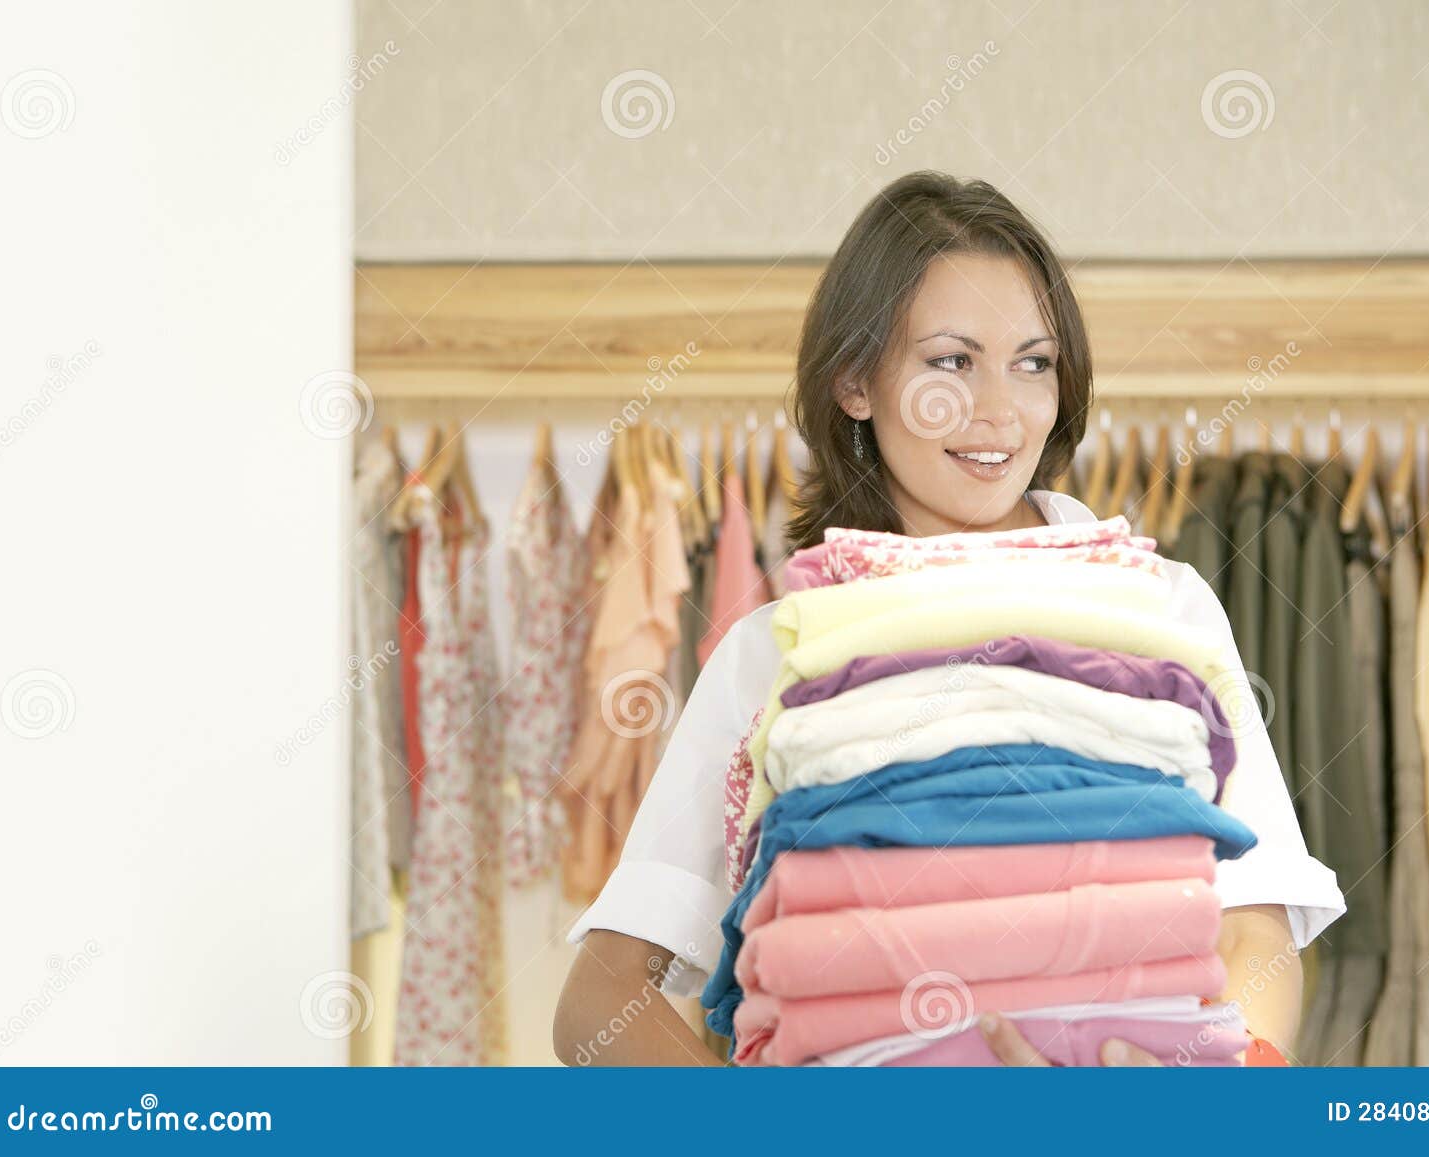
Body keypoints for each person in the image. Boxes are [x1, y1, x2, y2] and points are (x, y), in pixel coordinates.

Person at [554, 171, 1344, 1067]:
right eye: (951, 362)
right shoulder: (777, 650)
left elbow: (1254, 928)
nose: (1001, 411)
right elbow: (600, 998)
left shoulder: (1158, 608)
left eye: (1033, 363)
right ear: (854, 380)